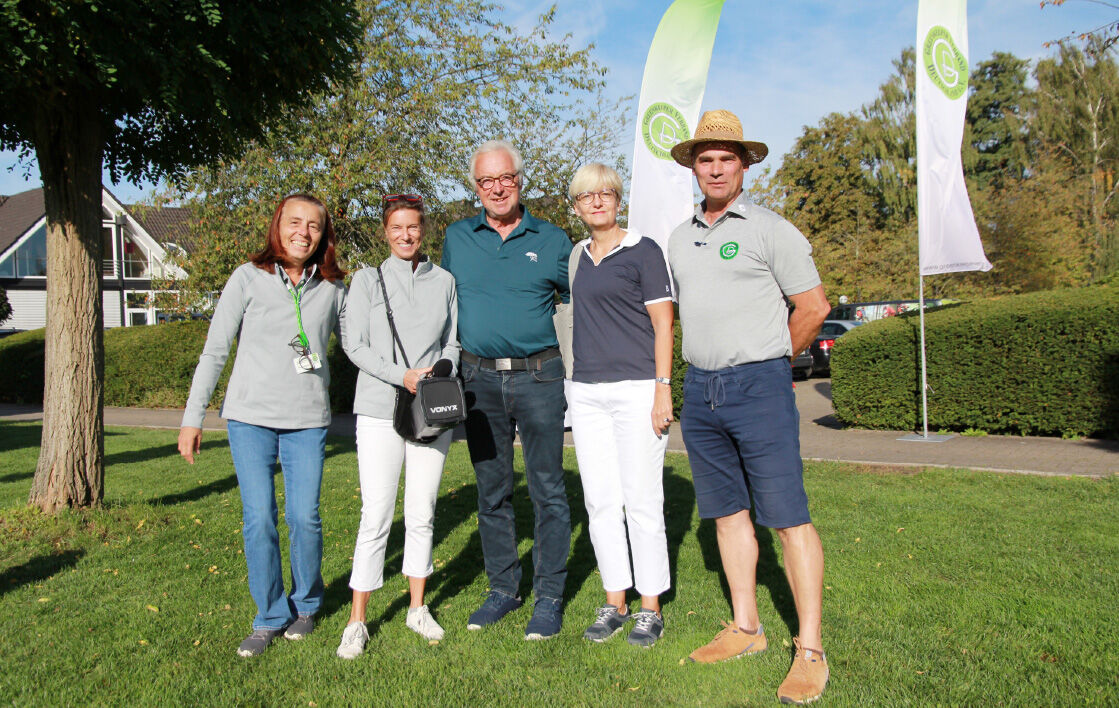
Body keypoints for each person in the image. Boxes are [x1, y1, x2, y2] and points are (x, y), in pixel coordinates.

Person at [666, 110, 832, 704]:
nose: (715, 169)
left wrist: (773, 362)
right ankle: (747, 627)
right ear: (694, 168)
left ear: (744, 166)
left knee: (787, 517)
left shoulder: (770, 229)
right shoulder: (679, 238)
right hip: (700, 391)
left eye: (726, 159)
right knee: (728, 514)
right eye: (705, 160)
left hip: (759, 387)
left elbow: (814, 307)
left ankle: (810, 650)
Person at [178, 194, 347, 658]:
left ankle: (306, 604)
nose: (303, 233)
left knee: (304, 517)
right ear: (278, 226)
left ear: (323, 235)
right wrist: (193, 417)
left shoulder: (333, 287)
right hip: (250, 419)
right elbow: (215, 350)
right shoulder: (247, 277)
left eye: (313, 226)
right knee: (259, 519)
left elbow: (359, 345)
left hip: (306, 420)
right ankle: (270, 615)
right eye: (295, 222)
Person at [440, 140, 572, 640]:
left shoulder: (553, 239)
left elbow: (584, 297)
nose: (497, 188)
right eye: (486, 181)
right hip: (478, 382)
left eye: (506, 178)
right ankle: (503, 589)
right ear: (475, 187)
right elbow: (440, 303)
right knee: (492, 491)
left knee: (547, 490)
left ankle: (550, 596)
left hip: (540, 377)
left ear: (520, 180)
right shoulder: (457, 238)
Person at [334, 194, 460, 659]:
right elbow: (354, 345)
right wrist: (401, 375)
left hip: (430, 408)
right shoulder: (366, 281)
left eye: (413, 227)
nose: (406, 235)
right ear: (385, 232)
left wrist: (440, 372)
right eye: (397, 228)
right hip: (377, 408)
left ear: (423, 230)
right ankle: (357, 620)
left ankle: (417, 608)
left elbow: (453, 341)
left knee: (423, 511)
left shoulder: (444, 280)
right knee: (376, 514)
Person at [565, 163, 674, 647]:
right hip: (586, 392)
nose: (596, 202)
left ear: (617, 199)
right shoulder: (577, 256)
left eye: (605, 193)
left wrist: (663, 388)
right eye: (586, 196)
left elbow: (664, 325)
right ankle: (616, 600)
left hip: (637, 388)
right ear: (576, 207)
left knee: (642, 500)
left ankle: (650, 606)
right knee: (600, 501)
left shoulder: (644, 250)